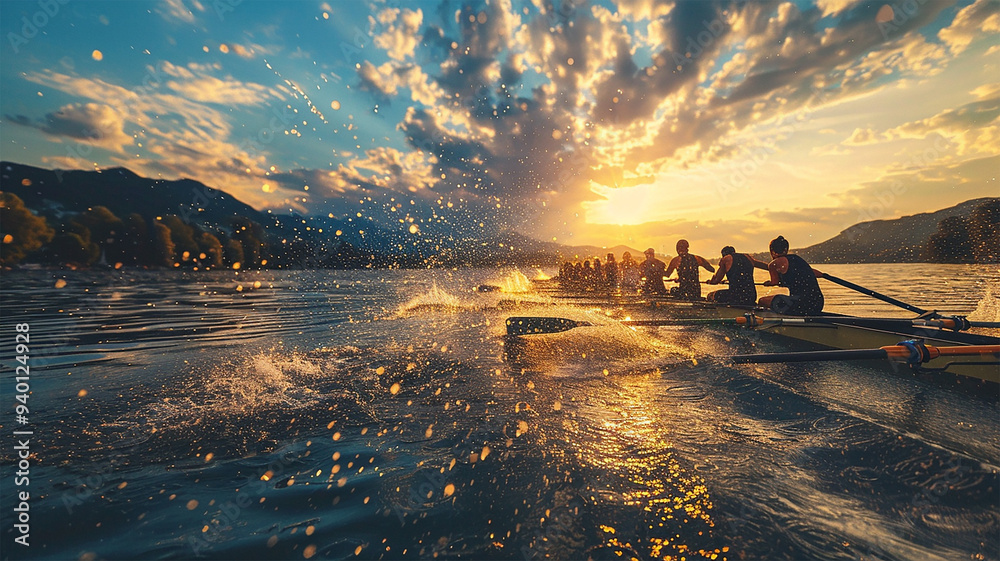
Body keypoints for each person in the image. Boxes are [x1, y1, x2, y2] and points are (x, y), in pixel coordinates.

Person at [756, 235, 825, 315]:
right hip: (817, 303)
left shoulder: (773, 264)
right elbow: (814, 273)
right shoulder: (797, 260)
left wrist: (768, 283)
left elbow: (774, 282)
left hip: (801, 304)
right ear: (786, 249)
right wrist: (823, 275)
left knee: (762, 301)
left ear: (771, 251)